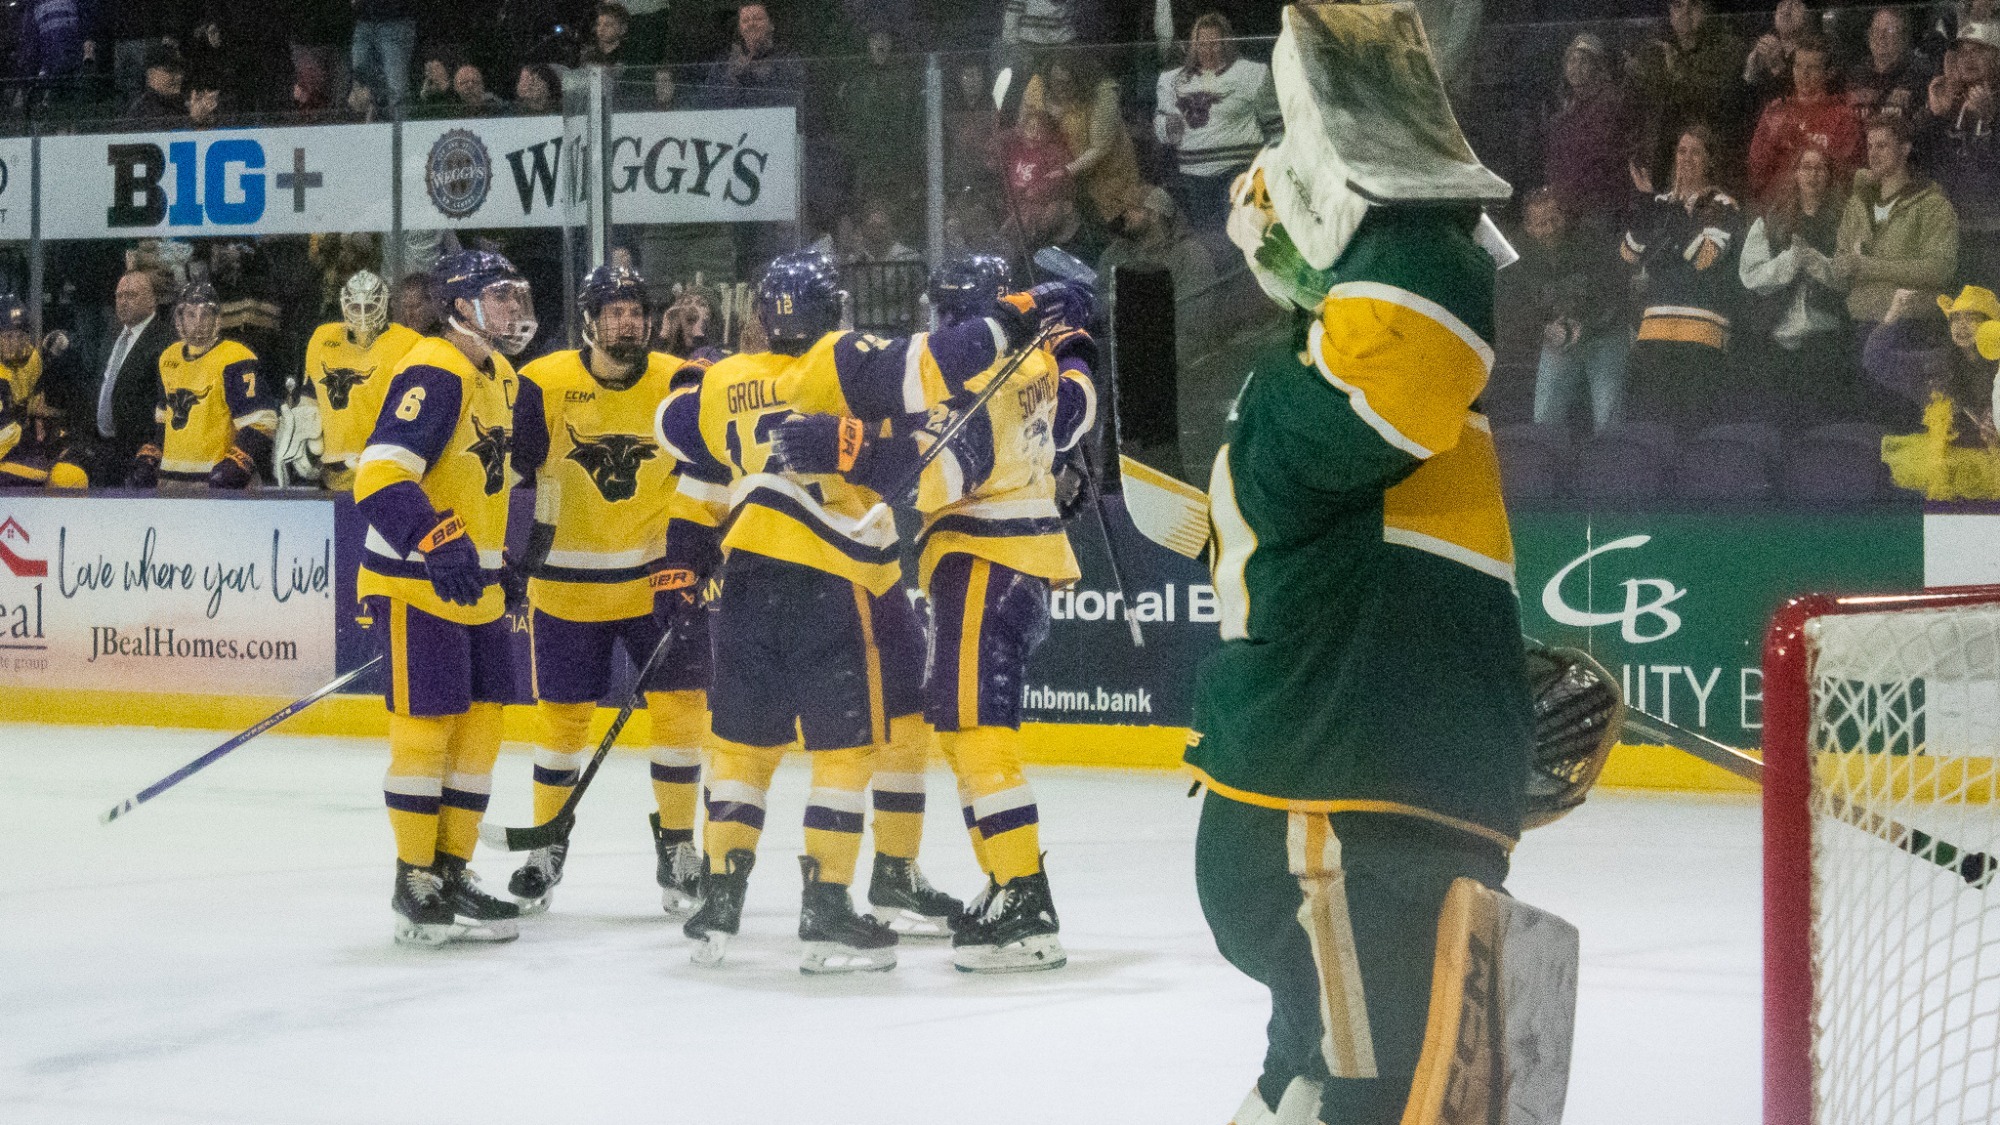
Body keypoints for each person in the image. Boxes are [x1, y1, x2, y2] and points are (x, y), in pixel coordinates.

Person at [1198, 7, 1564, 1120]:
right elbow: (1424, 318)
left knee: (1316, 1083)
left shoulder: (1409, 427)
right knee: (1379, 1095)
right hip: (1334, 810)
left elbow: (1404, 580)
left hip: (1381, 801)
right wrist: (1389, 175)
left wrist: (1482, 692)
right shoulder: (1295, 413)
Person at [652, 250, 1087, 972]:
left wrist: (685, 551)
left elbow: (676, 431)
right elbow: (1044, 409)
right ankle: (841, 897)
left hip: (783, 573)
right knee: (864, 740)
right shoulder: (858, 358)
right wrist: (1063, 340)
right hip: (846, 570)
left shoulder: (727, 376)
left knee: (752, 742)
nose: (931, 322)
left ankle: (730, 888)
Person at [779, 251, 1099, 970]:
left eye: (943, 314)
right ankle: (1008, 882)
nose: (938, 326)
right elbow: (1078, 411)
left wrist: (846, 446)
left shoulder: (979, 378)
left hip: (987, 560)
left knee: (979, 736)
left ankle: (1024, 896)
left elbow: (941, 470)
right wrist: (1078, 340)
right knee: (962, 731)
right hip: (1022, 563)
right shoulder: (1044, 364)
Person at [499, 266, 709, 920]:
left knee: (680, 714)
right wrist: (516, 561)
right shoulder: (543, 382)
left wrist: (693, 561)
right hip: (568, 588)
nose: (628, 322)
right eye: (614, 311)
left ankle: (678, 847)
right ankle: (545, 847)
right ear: (589, 320)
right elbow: (522, 478)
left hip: (656, 585)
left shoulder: (679, 380)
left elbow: (706, 471)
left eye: (636, 310)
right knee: (561, 726)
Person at [352, 249, 545, 947]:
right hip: (418, 583)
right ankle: (415, 877)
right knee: (427, 729)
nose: (513, 310)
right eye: (499, 297)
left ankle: (452, 867)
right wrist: (434, 536)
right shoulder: (436, 368)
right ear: (460, 305)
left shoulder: (501, 375)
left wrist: (497, 561)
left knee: (482, 730)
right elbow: (376, 475)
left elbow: (480, 482)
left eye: (515, 296)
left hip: (476, 587)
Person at [1622, 125, 1745, 433]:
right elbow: (1628, 254)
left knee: (1693, 433)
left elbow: (1705, 258)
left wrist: (1670, 223)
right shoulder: (1658, 204)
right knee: (1653, 432)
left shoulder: (1724, 205)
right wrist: (1644, 203)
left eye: (1696, 152)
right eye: (1681, 150)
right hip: (1654, 330)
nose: (1687, 158)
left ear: (1710, 161)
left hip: (1701, 333)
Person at [1740, 146, 1857, 424]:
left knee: (1818, 428)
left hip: (1825, 340)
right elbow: (1751, 275)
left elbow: (1851, 279)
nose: (1812, 174)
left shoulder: (1845, 221)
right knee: (1774, 424)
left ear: (1829, 176)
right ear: (1795, 173)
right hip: (1777, 339)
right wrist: (1790, 261)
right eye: (1806, 167)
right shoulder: (1771, 219)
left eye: (1820, 168)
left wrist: (1816, 263)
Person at [127, 283, 275, 492]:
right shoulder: (168, 357)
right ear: (179, 318)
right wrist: (152, 453)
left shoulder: (236, 358)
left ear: (216, 319)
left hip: (216, 486)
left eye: (205, 315)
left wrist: (237, 463)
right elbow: (163, 421)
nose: (198, 323)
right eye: (191, 314)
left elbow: (262, 422)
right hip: (170, 484)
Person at [1515, 188, 1632, 433]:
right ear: (1528, 228)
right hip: (1559, 340)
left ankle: (1607, 469)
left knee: (1607, 420)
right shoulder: (1520, 258)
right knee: (1545, 419)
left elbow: (1617, 292)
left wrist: (1586, 326)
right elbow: (1515, 308)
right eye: (1541, 224)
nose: (1549, 229)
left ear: (1563, 217)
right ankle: (1547, 469)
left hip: (1605, 336)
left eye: (1553, 220)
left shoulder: (1591, 241)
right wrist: (1543, 330)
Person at [291, 271, 422, 491]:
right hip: (332, 472)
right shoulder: (323, 338)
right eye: (355, 308)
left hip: (384, 472)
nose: (362, 316)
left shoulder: (410, 343)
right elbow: (311, 393)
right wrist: (305, 436)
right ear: (344, 305)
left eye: (369, 307)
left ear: (384, 305)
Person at [1154, 11, 1279, 230]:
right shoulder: (1172, 80)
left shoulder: (1251, 73)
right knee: (1207, 236)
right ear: (1193, 45)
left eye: (1215, 44)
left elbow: (1275, 123)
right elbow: (1160, 126)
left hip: (1239, 168)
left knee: (1240, 232)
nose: (1208, 51)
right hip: (1194, 173)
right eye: (1203, 44)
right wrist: (1167, 126)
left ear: (1227, 44)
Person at [1835, 113, 1959, 332]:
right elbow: (1841, 259)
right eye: (1870, 146)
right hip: (1857, 317)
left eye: (1882, 146)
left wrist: (1868, 266)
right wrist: (1840, 267)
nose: (1873, 154)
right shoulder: (1858, 202)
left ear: (1905, 149)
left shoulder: (1933, 205)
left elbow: (1940, 269)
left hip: (1909, 322)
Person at [1915, 22, 2000, 287]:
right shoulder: (1947, 97)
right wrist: (1933, 115)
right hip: (1947, 229)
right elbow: (1915, 156)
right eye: (1963, 52)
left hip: (1990, 233)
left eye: (1979, 51)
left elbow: (1990, 174)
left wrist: (1988, 124)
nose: (1969, 58)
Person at [71, 270, 173, 486]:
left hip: (139, 456)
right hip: (102, 450)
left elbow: (166, 401)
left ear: (152, 301)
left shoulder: (166, 340)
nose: (123, 302)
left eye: (131, 295)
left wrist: (153, 449)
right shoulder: (112, 334)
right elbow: (101, 384)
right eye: (119, 296)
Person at [1023, 54, 1145, 230]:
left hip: (1108, 180)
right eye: (1055, 82)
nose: (1059, 88)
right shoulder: (1038, 86)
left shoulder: (1103, 94)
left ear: (1080, 80)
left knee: (1113, 229)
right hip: (1065, 181)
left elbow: (1100, 148)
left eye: (1066, 84)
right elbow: (1025, 125)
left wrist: (1067, 170)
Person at [1748, 36, 1863, 202]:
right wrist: (1774, 141)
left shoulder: (1843, 117)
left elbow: (1846, 176)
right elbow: (1756, 172)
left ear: (1829, 73)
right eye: (1798, 66)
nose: (1804, 74)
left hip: (1822, 208)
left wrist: (1801, 141)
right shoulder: (1776, 111)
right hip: (1776, 207)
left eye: (1813, 68)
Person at [1541, 31, 1634, 226]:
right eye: (1572, 61)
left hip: (1600, 206)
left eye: (1583, 62)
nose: (1576, 68)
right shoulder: (1568, 103)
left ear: (1597, 66)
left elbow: (1598, 154)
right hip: (1569, 204)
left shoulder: (1608, 102)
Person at [0, 296, 86, 489]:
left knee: (74, 462)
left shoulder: (32, 360)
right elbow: (5, 434)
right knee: (49, 476)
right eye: (8, 337)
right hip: (6, 446)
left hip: (16, 441)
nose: (17, 345)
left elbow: (35, 405)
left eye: (22, 336)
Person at [1847, 7, 1930, 118]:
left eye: (1890, 30)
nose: (1881, 37)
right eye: (1876, 30)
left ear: (1905, 38)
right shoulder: (1855, 76)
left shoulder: (1921, 75)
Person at [1745, 0, 1816, 107]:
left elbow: (1803, 94)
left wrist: (1777, 65)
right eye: (1782, 5)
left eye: (1794, 4)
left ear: (1807, 16)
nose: (1786, 10)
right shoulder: (1763, 45)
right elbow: (1746, 90)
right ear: (1774, 15)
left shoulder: (1814, 49)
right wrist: (1752, 65)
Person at [351, 0, 419, 105]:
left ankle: (397, 119)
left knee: (395, 88)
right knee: (359, 87)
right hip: (364, 20)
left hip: (396, 19)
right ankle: (373, 116)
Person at [578, 2, 632, 67]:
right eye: (598, 24)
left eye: (608, 25)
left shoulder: (629, 54)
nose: (601, 29)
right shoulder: (587, 52)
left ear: (623, 29)